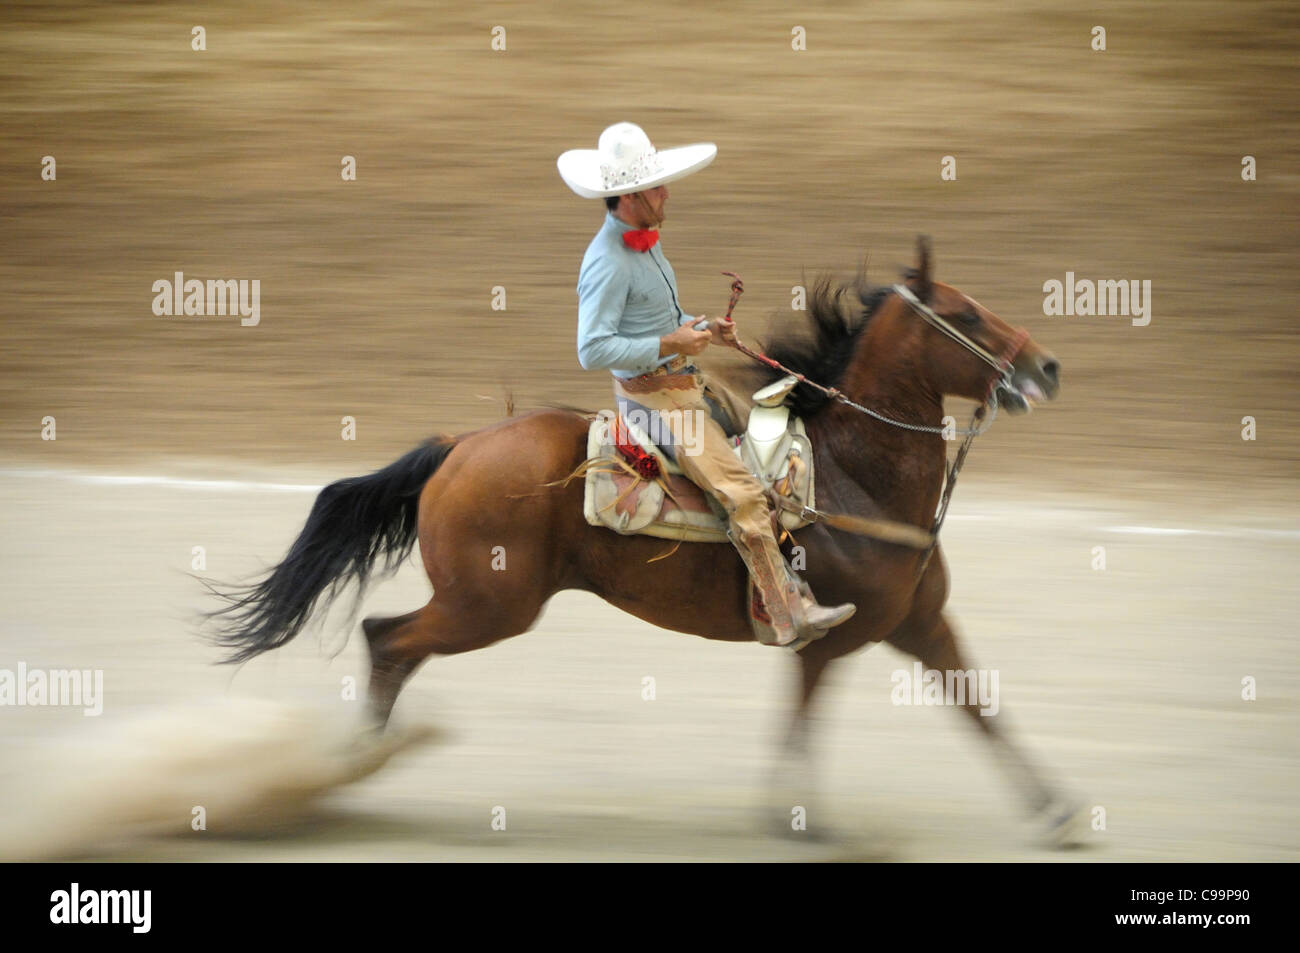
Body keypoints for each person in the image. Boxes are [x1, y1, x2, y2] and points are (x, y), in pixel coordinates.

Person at [557, 122, 855, 648]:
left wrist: (701, 328)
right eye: (656, 187)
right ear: (628, 197)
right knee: (741, 492)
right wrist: (673, 343)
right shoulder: (607, 263)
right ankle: (784, 614)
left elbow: (658, 319)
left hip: (684, 384)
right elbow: (592, 349)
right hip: (654, 401)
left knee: (773, 435)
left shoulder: (645, 245)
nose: (666, 192)